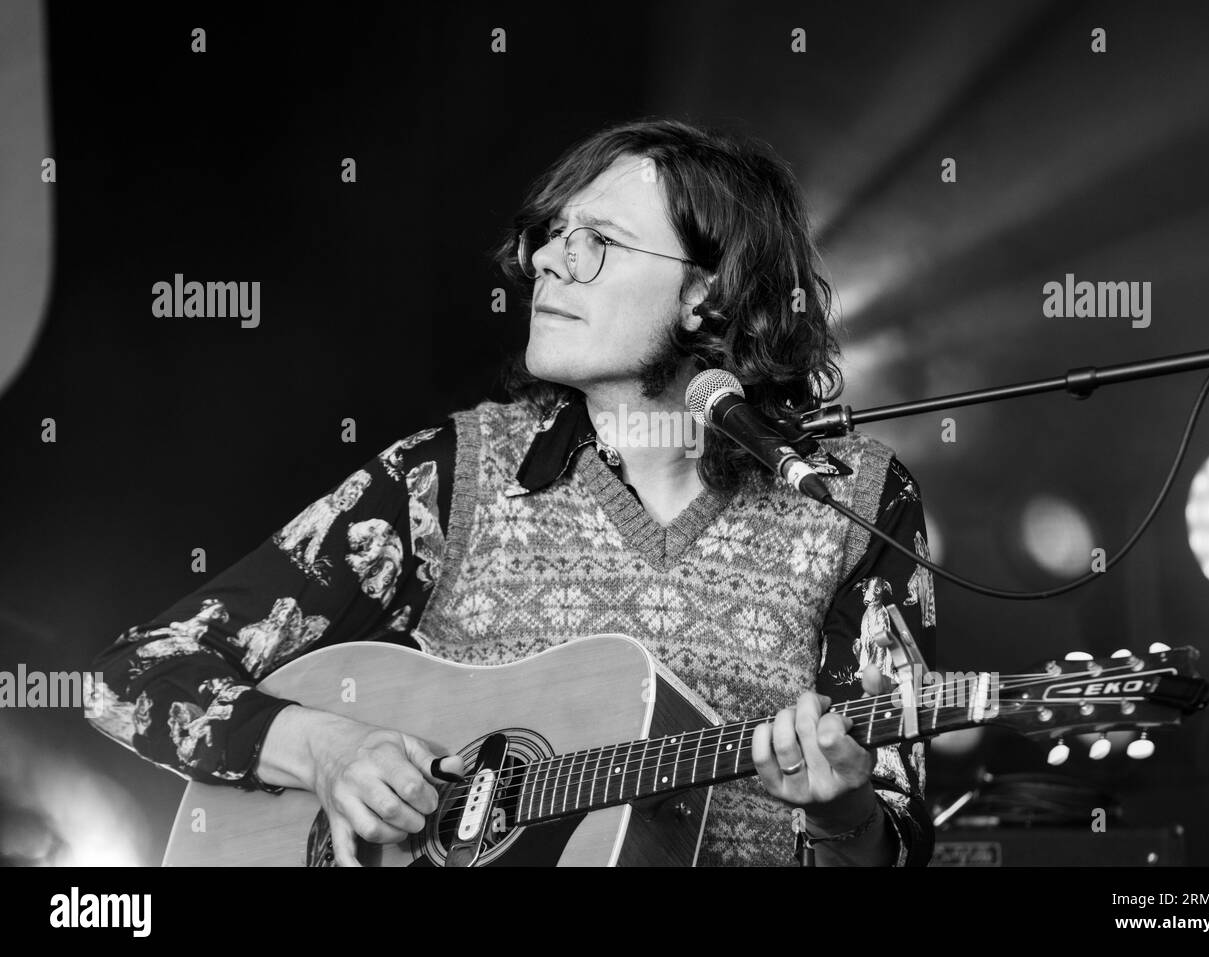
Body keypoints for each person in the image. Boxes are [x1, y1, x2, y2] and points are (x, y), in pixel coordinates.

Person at [85, 117, 938, 867]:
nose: (544, 265)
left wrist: (842, 812)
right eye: (549, 236)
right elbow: (134, 675)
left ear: (704, 290)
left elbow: (890, 843)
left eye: (595, 241)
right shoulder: (452, 472)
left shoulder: (852, 499)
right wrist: (326, 748)